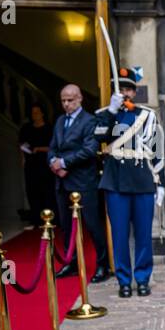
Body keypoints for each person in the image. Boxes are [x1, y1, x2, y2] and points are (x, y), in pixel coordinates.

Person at [97, 68, 163, 297]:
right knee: (119, 235)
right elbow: (99, 136)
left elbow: (156, 151)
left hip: (142, 179)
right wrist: (111, 112)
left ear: (134, 92)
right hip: (115, 181)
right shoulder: (105, 114)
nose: (124, 93)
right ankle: (124, 281)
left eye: (128, 89)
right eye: (120, 89)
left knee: (144, 234)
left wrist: (161, 183)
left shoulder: (147, 115)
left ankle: (143, 278)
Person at [48, 84, 116, 283]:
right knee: (67, 227)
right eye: (63, 100)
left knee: (93, 224)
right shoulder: (60, 121)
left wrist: (65, 162)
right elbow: (52, 146)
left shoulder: (90, 120)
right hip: (61, 181)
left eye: (70, 100)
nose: (66, 104)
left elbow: (90, 149)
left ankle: (103, 265)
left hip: (83, 181)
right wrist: (53, 162)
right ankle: (72, 263)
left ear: (79, 98)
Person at [19, 103, 56, 224]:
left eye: (37, 112)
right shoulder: (26, 128)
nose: (34, 115)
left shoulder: (50, 128)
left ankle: (50, 218)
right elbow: (21, 144)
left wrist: (39, 149)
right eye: (32, 112)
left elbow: (55, 147)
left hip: (46, 163)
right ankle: (36, 219)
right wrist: (23, 159)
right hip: (31, 163)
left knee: (48, 190)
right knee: (32, 190)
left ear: (42, 113)